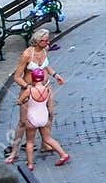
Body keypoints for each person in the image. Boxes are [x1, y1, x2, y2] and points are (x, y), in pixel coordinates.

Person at [5, 29, 65, 161]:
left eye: (47, 40)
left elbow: (45, 67)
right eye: (44, 40)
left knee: (50, 114)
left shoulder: (45, 49)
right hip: (29, 89)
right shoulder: (27, 54)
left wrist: (55, 75)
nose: (47, 42)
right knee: (23, 121)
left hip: (45, 87)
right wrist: (28, 88)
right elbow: (17, 77)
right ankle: (14, 151)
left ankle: (45, 143)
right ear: (37, 41)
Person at [17, 70, 69, 169]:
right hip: (44, 117)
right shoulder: (47, 89)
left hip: (32, 118)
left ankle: (30, 164)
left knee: (30, 142)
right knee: (48, 139)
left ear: (32, 79)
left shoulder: (30, 90)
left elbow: (19, 102)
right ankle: (63, 154)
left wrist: (22, 101)